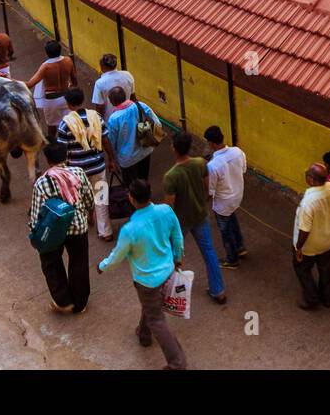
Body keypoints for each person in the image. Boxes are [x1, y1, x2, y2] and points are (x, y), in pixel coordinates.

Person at [97, 178, 186, 370]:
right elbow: (177, 236)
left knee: (157, 320)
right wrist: (178, 257)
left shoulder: (130, 229)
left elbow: (117, 256)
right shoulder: (165, 211)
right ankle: (144, 335)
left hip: (147, 281)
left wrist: (102, 266)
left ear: (130, 198)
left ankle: (177, 363)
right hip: (168, 271)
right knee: (152, 307)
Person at [30, 142, 96, 314]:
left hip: (53, 232)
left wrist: (34, 233)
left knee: (51, 263)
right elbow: (89, 198)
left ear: (47, 160)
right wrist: (89, 213)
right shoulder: (78, 173)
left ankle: (63, 300)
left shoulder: (42, 183)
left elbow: (36, 215)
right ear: (66, 156)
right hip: (78, 226)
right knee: (78, 262)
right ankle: (80, 303)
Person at [163, 133, 226, 304]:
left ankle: (170, 291)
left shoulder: (171, 176)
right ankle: (218, 290)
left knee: (172, 255)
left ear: (174, 148)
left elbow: (169, 207)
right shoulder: (200, 163)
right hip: (200, 215)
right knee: (209, 252)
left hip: (180, 223)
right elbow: (207, 188)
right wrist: (201, 202)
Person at [57, 87, 112, 241]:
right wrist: (112, 159)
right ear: (82, 100)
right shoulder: (96, 117)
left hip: (76, 171)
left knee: (78, 199)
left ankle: (82, 226)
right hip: (98, 166)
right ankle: (106, 231)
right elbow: (105, 140)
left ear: (68, 104)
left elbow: (63, 150)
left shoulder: (65, 124)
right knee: (101, 199)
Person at [292, 162, 330, 310]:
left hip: (309, 246)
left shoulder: (308, 203)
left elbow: (304, 230)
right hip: (326, 239)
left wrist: (298, 248)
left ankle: (311, 298)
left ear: (311, 180)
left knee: (302, 269)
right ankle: (327, 299)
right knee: (325, 269)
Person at [205, 125, 246, 269]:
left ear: (211, 143)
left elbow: (210, 191)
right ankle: (240, 247)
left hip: (223, 203)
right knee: (232, 220)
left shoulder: (213, 165)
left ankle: (232, 259)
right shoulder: (238, 152)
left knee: (225, 230)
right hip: (237, 195)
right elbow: (243, 170)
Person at [105, 86, 156, 189]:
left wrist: (112, 159)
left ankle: (135, 202)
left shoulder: (114, 118)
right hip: (145, 151)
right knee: (144, 180)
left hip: (127, 159)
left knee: (131, 187)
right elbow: (156, 123)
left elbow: (111, 141)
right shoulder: (140, 105)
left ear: (113, 101)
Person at [25, 40, 77, 141]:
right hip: (67, 97)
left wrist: (9, 80)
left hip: (51, 100)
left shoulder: (45, 67)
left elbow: (29, 84)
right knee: (72, 124)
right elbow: (74, 81)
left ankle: (53, 148)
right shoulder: (68, 61)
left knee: (52, 127)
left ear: (47, 53)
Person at [91, 53, 134, 120]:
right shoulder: (128, 75)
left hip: (110, 120)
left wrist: (99, 122)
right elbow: (133, 97)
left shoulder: (100, 83)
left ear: (102, 66)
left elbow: (99, 107)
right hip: (128, 117)